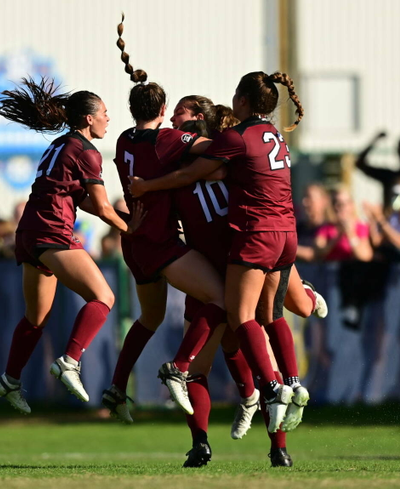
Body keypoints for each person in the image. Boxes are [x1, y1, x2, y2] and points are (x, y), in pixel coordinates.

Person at [129, 70, 308, 438]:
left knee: (242, 317)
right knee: (261, 322)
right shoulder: (274, 135)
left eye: (181, 112)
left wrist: (148, 185)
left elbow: (196, 171)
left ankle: (272, 391)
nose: (174, 118)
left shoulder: (230, 141)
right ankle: (276, 391)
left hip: (250, 240)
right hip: (282, 233)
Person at [170, 99, 327, 467]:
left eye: (183, 116)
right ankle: (265, 434)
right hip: (233, 267)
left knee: (250, 335)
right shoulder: (224, 160)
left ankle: (219, 435)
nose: (176, 126)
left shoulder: (210, 164)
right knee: (246, 345)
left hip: (241, 264)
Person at [102, 16, 229, 424]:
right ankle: (180, 366)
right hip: (160, 242)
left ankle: (118, 387)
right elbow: (218, 150)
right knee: (222, 299)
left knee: (149, 318)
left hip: (133, 243)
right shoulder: (170, 138)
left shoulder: (123, 139)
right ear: (161, 109)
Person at [0, 77, 143, 414]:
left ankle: (9, 379)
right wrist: (130, 227)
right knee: (103, 297)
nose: (108, 117)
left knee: (35, 317)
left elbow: (82, 199)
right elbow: (100, 206)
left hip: (29, 230)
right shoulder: (87, 151)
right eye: (104, 112)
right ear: (89, 118)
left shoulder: (61, 144)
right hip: (51, 230)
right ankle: (70, 361)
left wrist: (121, 216)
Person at [313, 187, 373, 262]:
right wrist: (337, 237)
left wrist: (350, 234)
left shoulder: (361, 227)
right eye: (337, 203)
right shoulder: (326, 228)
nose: (341, 207)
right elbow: (318, 253)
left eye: (345, 203)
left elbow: (365, 256)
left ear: (352, 205)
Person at [296, 183, 333, 262]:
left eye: (309, 198)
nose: (304, 202)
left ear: (324, 201)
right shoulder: (298, 228)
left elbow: (316, 254)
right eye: (304, 197)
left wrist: (287, 248)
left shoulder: (330, 229)